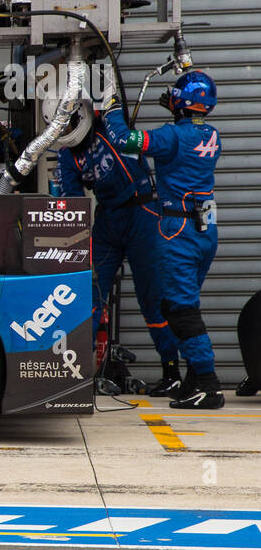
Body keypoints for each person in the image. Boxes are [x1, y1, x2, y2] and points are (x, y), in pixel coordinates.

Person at [100, 70, 223, 409]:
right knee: (180, 305)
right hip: (205, 230)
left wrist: (111, 111)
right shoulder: (212, 135)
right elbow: (188, 133)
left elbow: (127, 141)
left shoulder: (171, 137)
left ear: (181, 102)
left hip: (179, 231)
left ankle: (208, 384)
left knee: (180, 310)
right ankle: (193, 379)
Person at [58, 111, 181, 394]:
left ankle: (171, 371)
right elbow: (72, 200)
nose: (66, 129)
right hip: (107, 220)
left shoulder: (110, 124)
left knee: (153, 299)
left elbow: (125, 133)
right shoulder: (66, 154)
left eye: (69, 123)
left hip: (144, 212)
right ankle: (75, 377)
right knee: (88, 295)